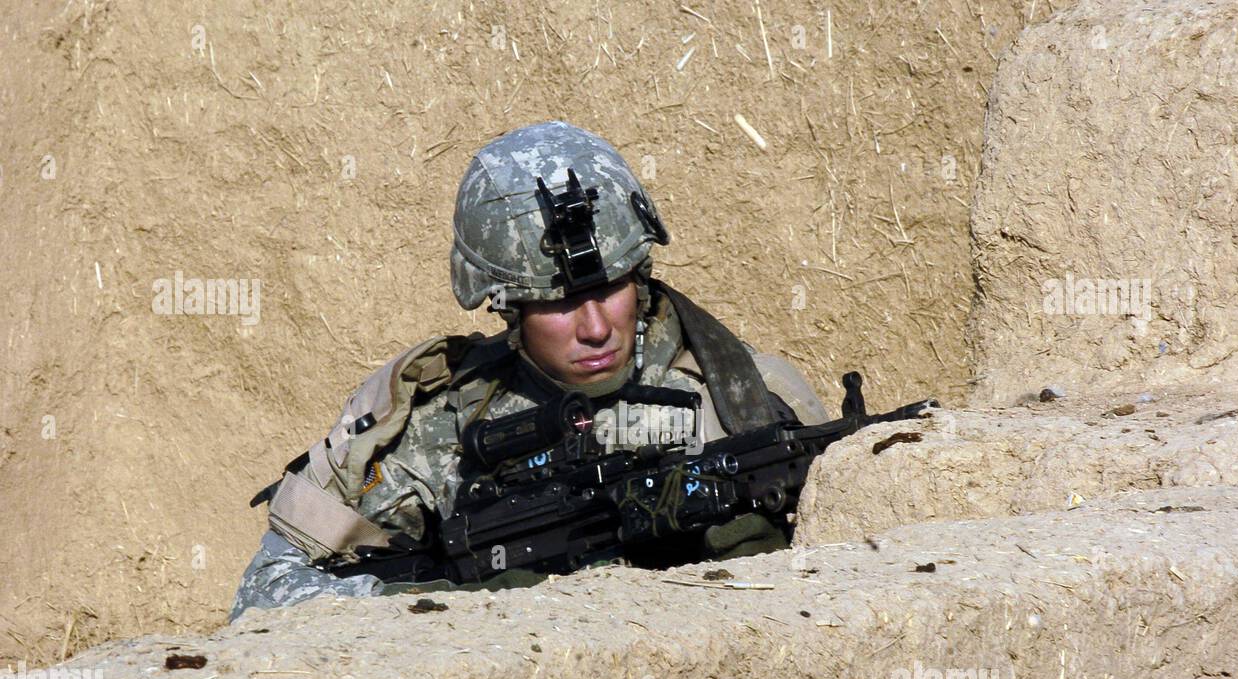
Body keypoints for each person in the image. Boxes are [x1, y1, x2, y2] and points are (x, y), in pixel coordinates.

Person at [230, 120, 829, 621]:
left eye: (609, 288)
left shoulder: (751, 404)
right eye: (558, 302)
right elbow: (263, 600)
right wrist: (459, 608)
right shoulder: (434, 423)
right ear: (506, 307)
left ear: (639, 274)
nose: (595, 327)